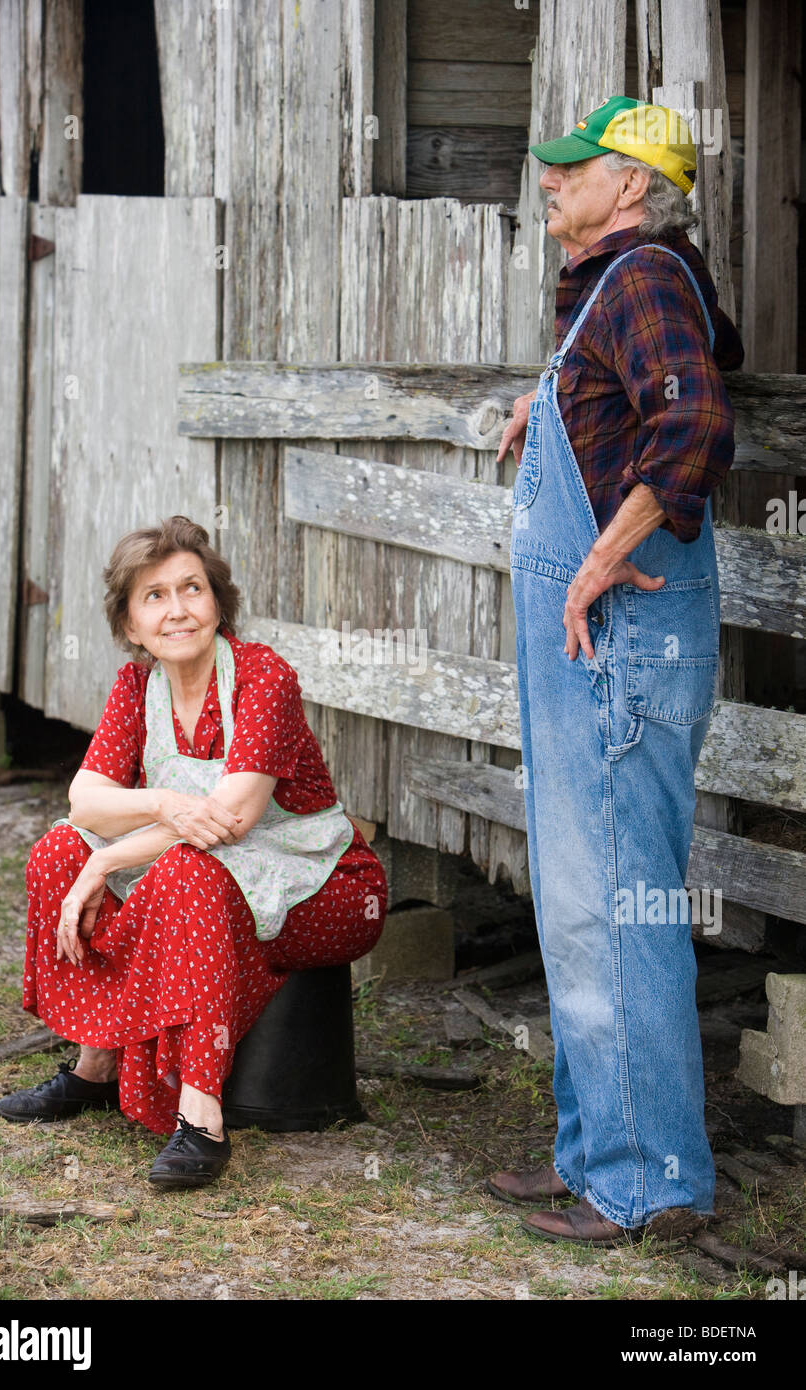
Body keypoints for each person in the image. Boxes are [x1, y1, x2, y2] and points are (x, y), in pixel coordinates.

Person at [488, 97, 744, 1244]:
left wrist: (597, 556)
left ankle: (648, 1182)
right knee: (582, 899)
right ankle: (597, 1152)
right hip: (600, 651)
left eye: (572, 167)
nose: (551, 180)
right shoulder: (633, 281)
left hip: (623, 638)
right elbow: (680, 368)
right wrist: (550, 397)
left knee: (620, 906)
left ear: (630, 185)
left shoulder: (642, 278)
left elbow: (691, 428)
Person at [0, 516, 388, 1188]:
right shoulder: (134, 689)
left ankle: (201, 1116)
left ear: (218, 602)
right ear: (129, 623)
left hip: (321, 885)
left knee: (178, 871)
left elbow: (233, 818)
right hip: (217, 867)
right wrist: (161, 805)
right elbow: (85, 801)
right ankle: (98, 1066)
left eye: (191, 589)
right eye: (154, 596)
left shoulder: (262, 677)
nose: (177, 609)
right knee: (59, 852)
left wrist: (109, 861)